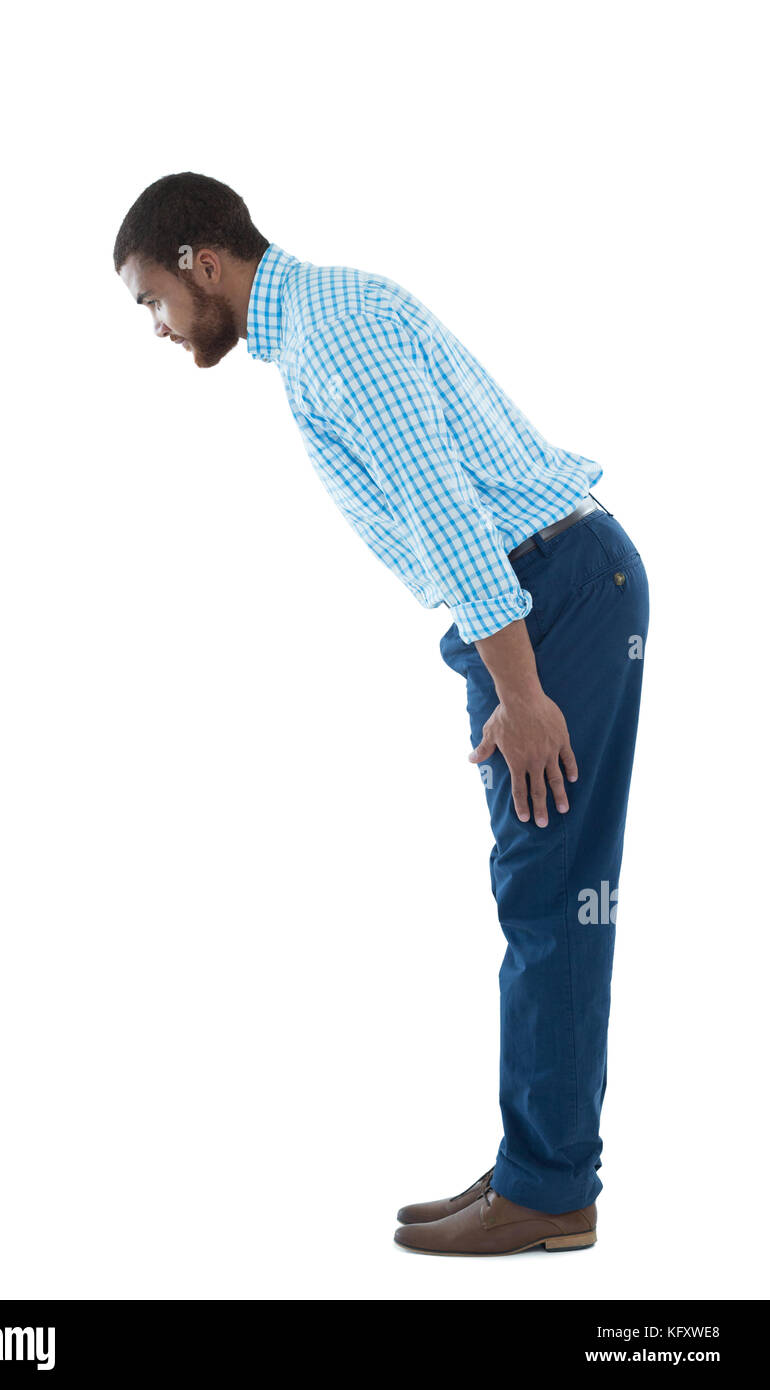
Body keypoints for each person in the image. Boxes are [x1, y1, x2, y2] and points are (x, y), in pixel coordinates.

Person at [113, 172, 649, 1257]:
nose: (160, 328)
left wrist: (521, 690)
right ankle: (534, 1159)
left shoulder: (331, 339)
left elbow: (448, 509)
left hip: (548, 604)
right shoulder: (324, 317)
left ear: (201, 264)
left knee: (552, 895)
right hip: (541, 598)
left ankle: (550, 1188)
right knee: (538, 890)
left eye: (152, 301)